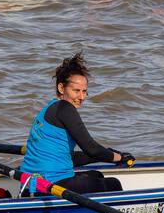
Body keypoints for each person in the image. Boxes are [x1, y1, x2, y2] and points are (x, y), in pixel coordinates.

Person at [20, 53, 132, 194]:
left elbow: (70, 157)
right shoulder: (66, 109)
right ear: (61, 88)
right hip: (49, 184)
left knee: (96, 175)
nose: (82, 97)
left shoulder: (48, 109)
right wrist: (120, 157)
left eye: (84, 91)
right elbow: (91, 148)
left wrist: (108, 154)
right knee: (112, 183)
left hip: (29, 183)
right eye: (76, 91)